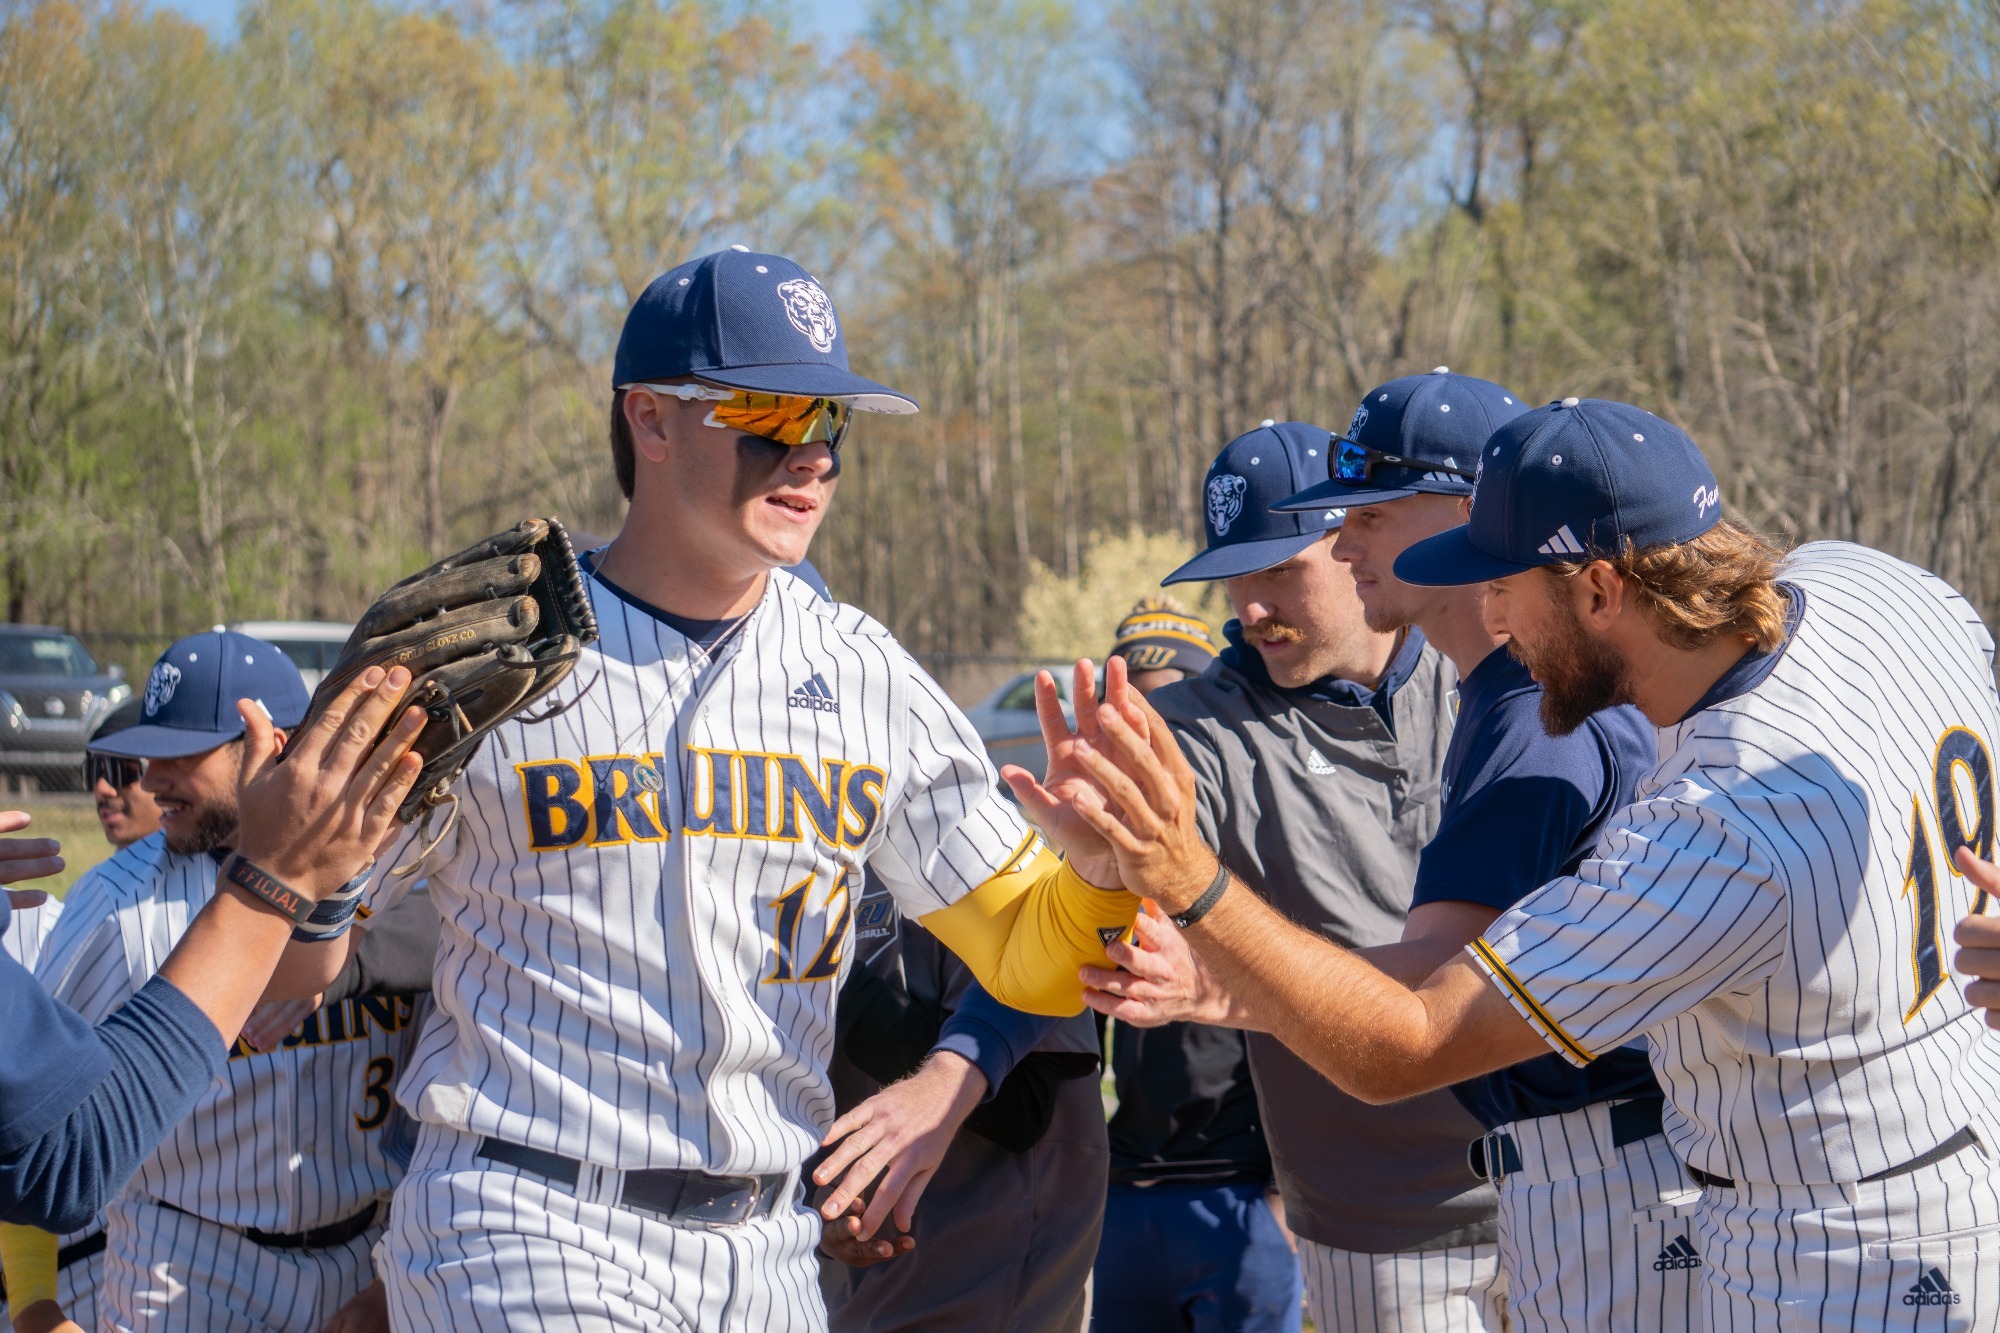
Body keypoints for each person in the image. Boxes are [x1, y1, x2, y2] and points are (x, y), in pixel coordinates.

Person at [262, 246, 1139, 1330]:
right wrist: (297, 863)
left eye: (832, 420)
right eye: (772, 413)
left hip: (769, 1247)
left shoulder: (861, 671)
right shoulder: (497, 659)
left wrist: (1106, 879)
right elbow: (292, 974)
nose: (813, 454)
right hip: (524, 1213)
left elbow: (1030, 950)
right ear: (652, 419)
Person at [1046, 397, 2000, 1326]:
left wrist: (1190, 880)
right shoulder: (1867, 585)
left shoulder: (1716, 830)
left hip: (1838, 1253)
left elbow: (1409, 1042)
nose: (1492, 612)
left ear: (1600, 589)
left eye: (1505, 585)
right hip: (1953, 1158)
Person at [1096, 372, 1690, 1331]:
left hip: (1614, 1178)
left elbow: (1421, 1018)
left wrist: (1207, 945)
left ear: (1471, 512)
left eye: (1368, 514)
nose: (1348, 539)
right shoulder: (1512, 691)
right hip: (1498, 1190)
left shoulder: (1539, 706)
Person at [1056, 421, 1505, 1332]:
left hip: (1560, 1178)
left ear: (1355, 541)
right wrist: (1093, 868)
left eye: (1277, 570)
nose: (1250, 607)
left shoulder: (1481, 670)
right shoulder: (1192, 730)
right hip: (1378, 1221)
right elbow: (1095, 908)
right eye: (1234, 577)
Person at [22, 631, 433, 1333]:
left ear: (273, 744)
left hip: (367, 1257)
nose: (151, 778)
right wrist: (36, 1307)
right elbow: (29, 1110)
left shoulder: (390, 874)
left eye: (182, 755)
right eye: (149, 753)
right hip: (187, 1263)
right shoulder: (119, 902)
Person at [1086, 602, 1302, 1333]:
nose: (1153, 730)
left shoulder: (1259, 846)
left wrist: (1283, 1197)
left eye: (1172, 705)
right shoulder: (1096, 862)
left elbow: (1304, 1016)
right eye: (1133, 708)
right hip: (1130, 1193)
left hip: (1241, 1194)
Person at [816, 869, 1105, 1332]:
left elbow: (1023, 1109)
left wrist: (830, 970)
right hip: (853, 1280)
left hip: (982, 1277)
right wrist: (823, 1206)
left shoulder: (983, 855)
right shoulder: (803, 869)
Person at [89, 699, 162, 850]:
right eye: (93, 771)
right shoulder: (103, 870)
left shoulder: (209, 864)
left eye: (121, 771)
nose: (100, 789)